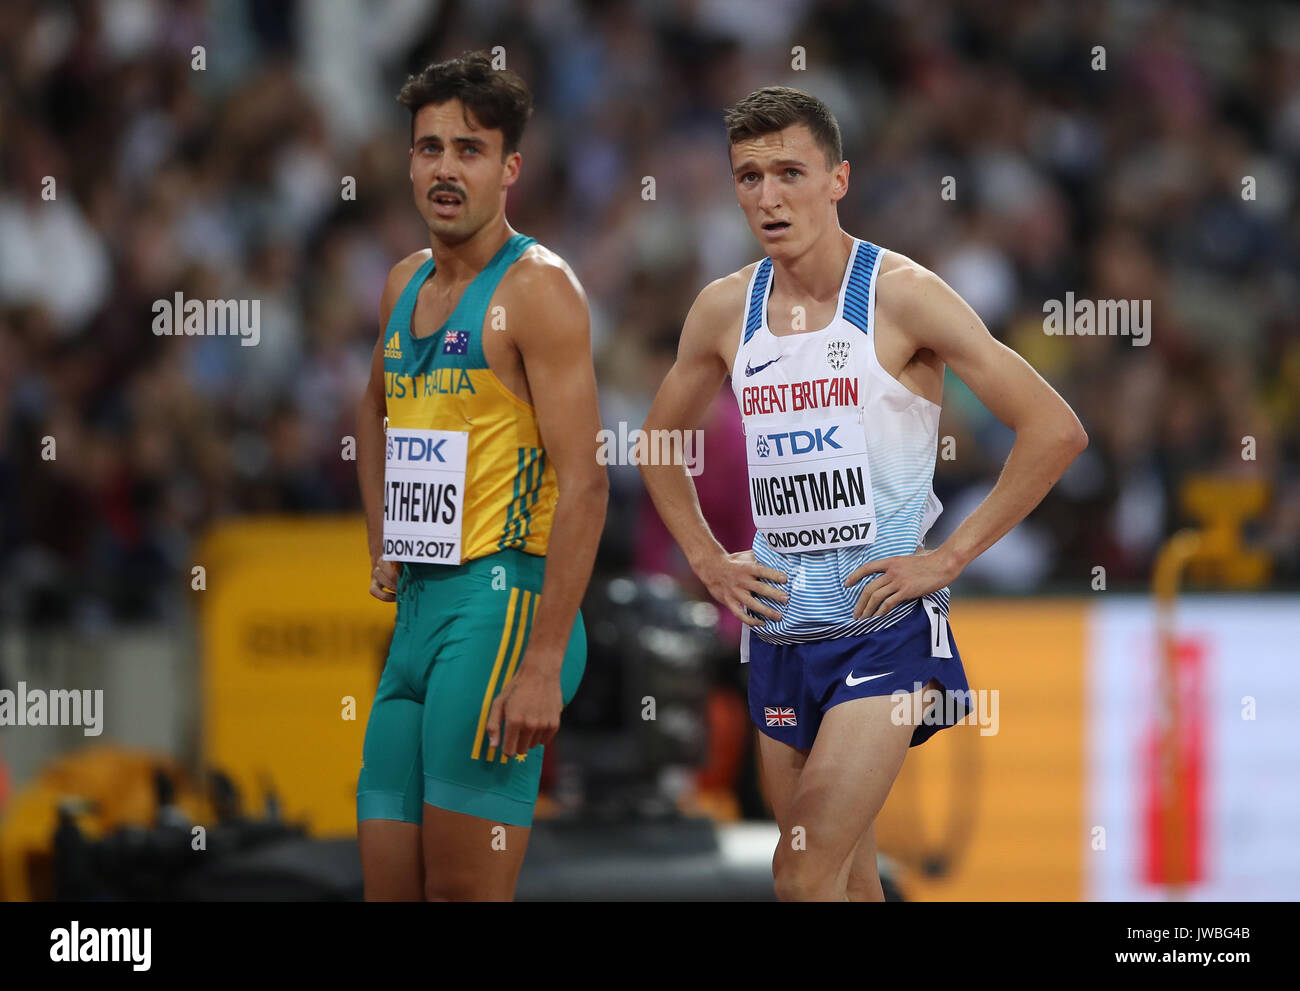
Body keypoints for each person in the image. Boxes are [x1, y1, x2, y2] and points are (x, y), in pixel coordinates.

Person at [638, 86, 1087, 901]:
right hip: (778, 630)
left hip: (882, 629)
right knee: (844, 879)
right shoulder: (721, 311)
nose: (768, 197)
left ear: (838, 178)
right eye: (748, 177)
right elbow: (657, 445)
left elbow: (1053, 429)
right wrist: (707, 559)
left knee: (799, 871)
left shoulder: (902, 295)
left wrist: (948, 557)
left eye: (789, 172)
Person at [355, 51, 607, 901]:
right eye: (430, 148)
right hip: (421, 614)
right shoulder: (402, 282)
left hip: (504, 608)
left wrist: (540, 661)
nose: (445, 169)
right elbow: (373, 408)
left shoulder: (539, 290)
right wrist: (385, 534)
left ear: (510, 169)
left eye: (469, 149)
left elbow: (588, 482)